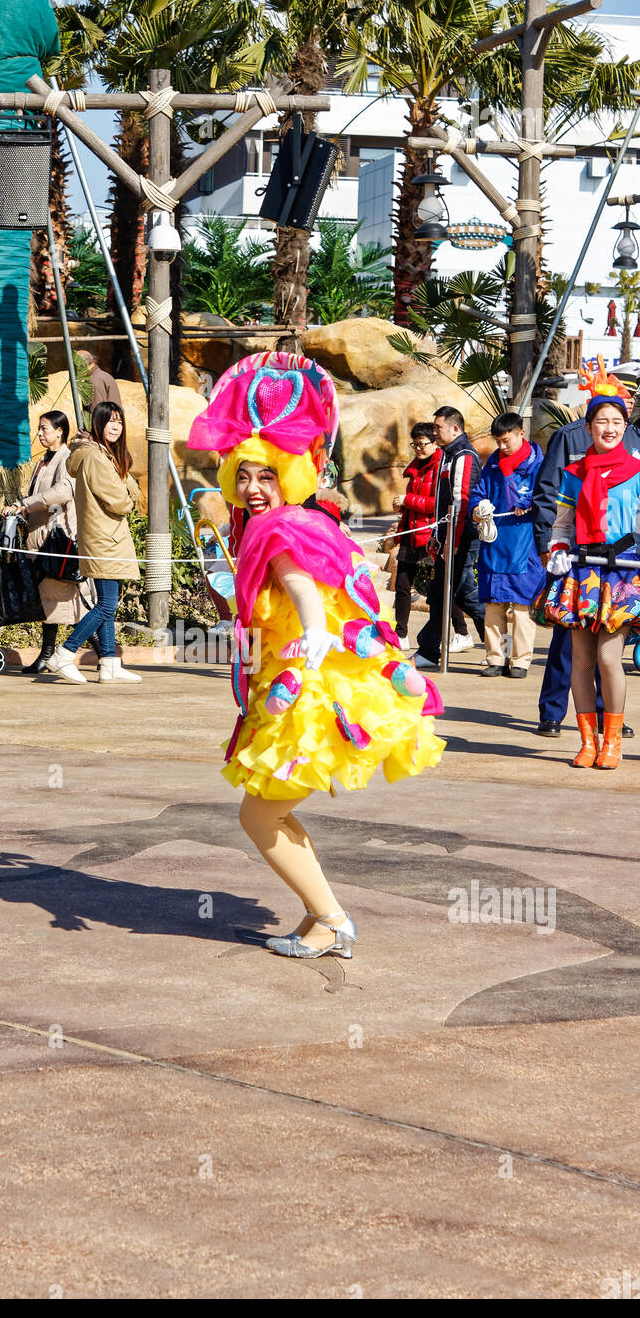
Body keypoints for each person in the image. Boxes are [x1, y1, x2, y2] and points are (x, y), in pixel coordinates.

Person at [187, 352, 445, 961]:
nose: (252, 488)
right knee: (266, 813)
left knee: (257, 818)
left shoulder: (280, 530)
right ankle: (322, 916)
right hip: (299, 685)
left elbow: (301, 586)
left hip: (306, 696)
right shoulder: (301, 520)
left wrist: (312, 638)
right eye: (244, 475)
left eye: (266, 476)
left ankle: (331, 918)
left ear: (291, 474)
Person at [537, 390, 640, 769]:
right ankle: (588, 741)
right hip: (581, 571)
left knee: (609, 656)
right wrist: (558, 548)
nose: (609, 429)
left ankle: (613, 741)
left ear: (625, 427)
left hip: (622, 571)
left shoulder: (637, 472)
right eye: (602, 422)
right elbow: (562, 522)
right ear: (590, 427)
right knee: (580, 658)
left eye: (616, 422)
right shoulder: (574, 474)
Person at [47, 400, 142, 684]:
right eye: (110, 420)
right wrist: (129, 488)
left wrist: (127, 486)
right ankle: (65, 653)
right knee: (106, 606)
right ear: (98, 424)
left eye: (119, 421)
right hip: (105, 539)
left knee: (106, 602)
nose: (116, 426)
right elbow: (122, 501)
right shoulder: (97, 458)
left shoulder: (102, 455)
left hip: (104, 537)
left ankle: (109, 661)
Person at [4, 410, 94, 675]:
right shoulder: (44, 460)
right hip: (41, 539)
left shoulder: (67, 458)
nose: (40, 433)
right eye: (39, 429)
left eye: (45, 429)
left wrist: (24, 505)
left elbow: (63, 492)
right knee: (50, 601)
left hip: (58, 541)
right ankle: (49, 653)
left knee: (74, 599)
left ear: (59, 431)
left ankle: (101, 651)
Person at [469, 410, 545, 679]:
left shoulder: (539, 464)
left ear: (520, 433)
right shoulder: (492, 464)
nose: (502, 446)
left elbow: (549, 497)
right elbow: (478, 492)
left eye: (507, 440)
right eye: (498, 441)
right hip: (495, 542)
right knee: (494, 605)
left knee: (523, 607)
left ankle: (521, 661)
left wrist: (530, 504)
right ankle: (496, 658)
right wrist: (477, 507)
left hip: (525, 545)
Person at [414, 406, 486, 668]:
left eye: (438, 428)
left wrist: (453, 542)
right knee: (458, 594)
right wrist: (436, 532)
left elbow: (462, 502)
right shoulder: (446, 455)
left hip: (462, 540)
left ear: (455, 429)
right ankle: (498, 644)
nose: (434, 432)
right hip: (446, 537)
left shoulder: (464, 457)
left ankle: (428, 650)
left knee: (447, 594)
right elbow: (441, 503)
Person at [391, 422, 440, 652]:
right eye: (415, 444)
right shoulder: (416, 467)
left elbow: (436, 504)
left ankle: (461, 630)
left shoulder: (441, 467)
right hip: (411, 533)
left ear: (435, 442)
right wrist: (401, 508)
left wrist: (407, 500)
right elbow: (414, 500)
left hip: (430, 535)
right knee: (402, 584)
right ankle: (400, 633)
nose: (418, 448)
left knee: (440, 589)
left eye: (422, 444)